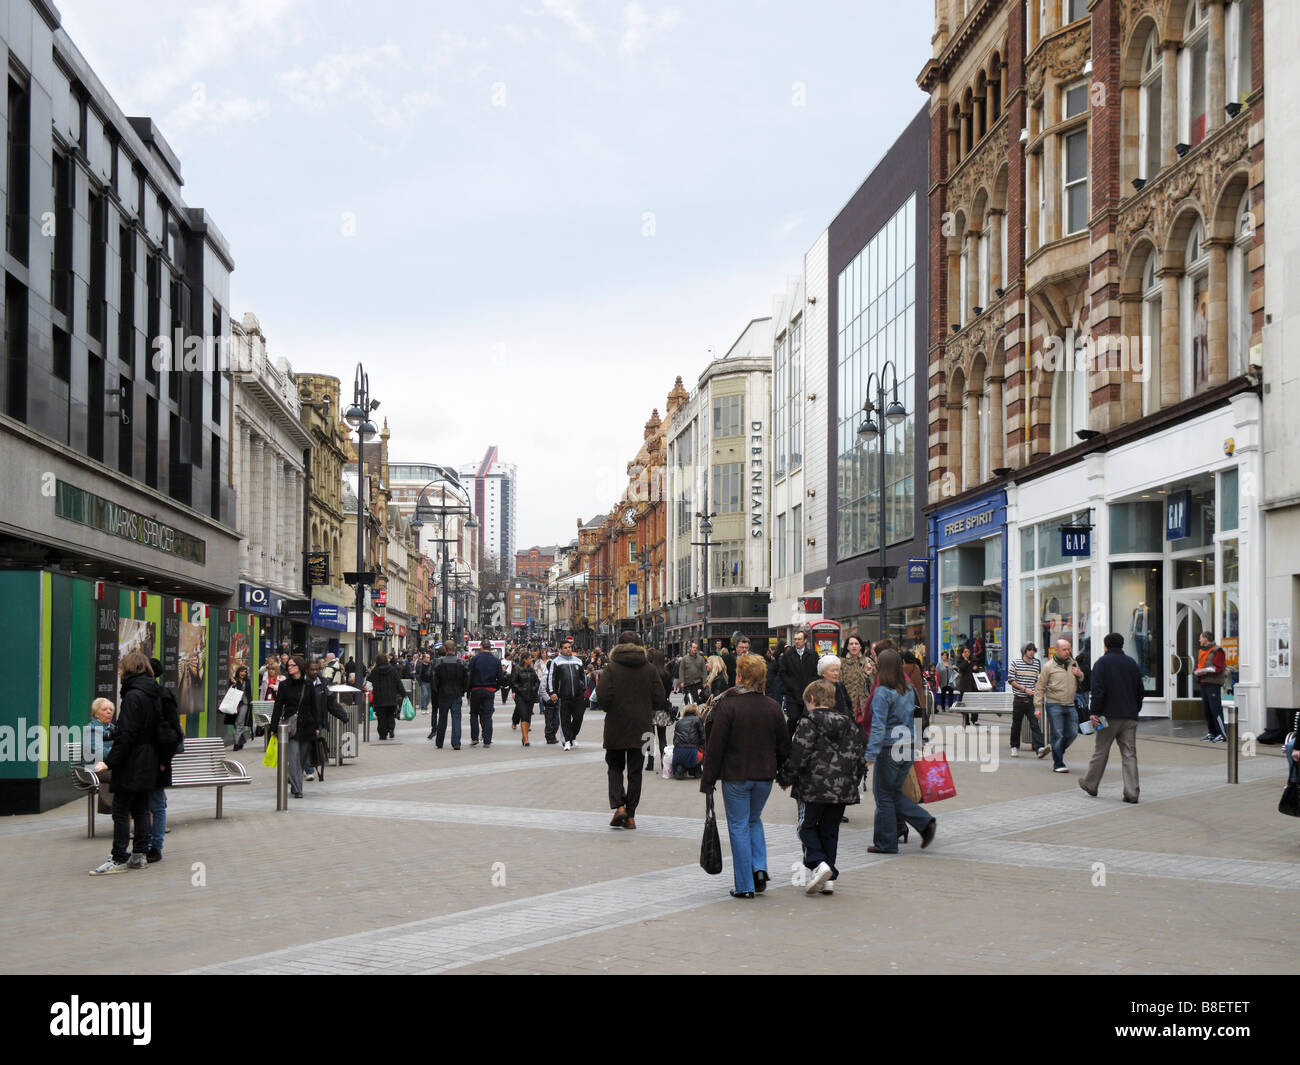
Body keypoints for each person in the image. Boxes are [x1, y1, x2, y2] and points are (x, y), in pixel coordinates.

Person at [700, 654, 790, 898]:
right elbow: (784, 746)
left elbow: (715, 747)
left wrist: (708, 781)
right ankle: (759, 869)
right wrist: (784, 774)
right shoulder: (772, 707)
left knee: (738, 825)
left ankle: (744, 885)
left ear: (740, 677)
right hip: (764, 776)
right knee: (754, 820)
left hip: (736, 775)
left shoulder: (728, 706)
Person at [780, 678, 865, 895]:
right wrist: (853, 782)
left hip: (813, 787)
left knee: (806, 827)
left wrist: (785, 777)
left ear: (811, 699)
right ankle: (829, 879)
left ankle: (818, 863)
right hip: (842, 787)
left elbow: (799, 753)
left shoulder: (809, 722)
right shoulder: (849, 723)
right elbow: (859, 757)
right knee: (830, 831)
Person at [89, 653, 161, 874]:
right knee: (140, 808)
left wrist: (109, 763)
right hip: (148, 758)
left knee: (120, 810)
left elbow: (127, 735)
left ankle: (118, 857)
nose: (118, 673)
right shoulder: (153, 693)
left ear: (129, 670)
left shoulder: (132, 696)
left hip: (132, 762)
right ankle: (139, 855)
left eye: (120, 669)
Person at [865, 650, 937, 855]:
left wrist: (870, 754)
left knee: (884, 796)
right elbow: (918, 716)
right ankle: (924, 822)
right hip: (909, 747)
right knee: (893, 793)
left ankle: (886, 842)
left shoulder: (882, 692)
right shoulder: (908, 689)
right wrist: (921, 741)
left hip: (890, 748)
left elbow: (878, 725)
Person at [597, 632, 666, 831]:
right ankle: (631, 816)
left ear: (618, 645)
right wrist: (645, 706)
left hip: (615, 726)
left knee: (615, 766)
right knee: (636, 772)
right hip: (643, 727)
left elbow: (601, 696)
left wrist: (612, 707)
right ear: (639, 645)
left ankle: (619, 806)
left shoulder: (611, 668)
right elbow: (659, 697)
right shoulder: (650, 668)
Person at [1079, 633, 1144, 803]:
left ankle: (1090, 783)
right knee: (1129, 754)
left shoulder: (1101, 663)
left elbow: (1098, 691)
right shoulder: (1132, 663)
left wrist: (1094, 712)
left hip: (1106, 716)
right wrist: (1135, 710)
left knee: (1101, 750)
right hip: (1129, 716)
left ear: (1106, 645)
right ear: (1122, 645)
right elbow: (1140, 691)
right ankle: (1132, 792)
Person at [143, 658, 184, 862]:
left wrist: (164, 760)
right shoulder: (142, 696)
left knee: (156, 803)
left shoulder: (163, 697)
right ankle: (146, 843)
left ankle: (155, 845)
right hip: (144, 759)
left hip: (157, 759)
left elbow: (174, 733)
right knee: (148, 803)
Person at [1035, 638, 1084, 773]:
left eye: (1069, 649)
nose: (1067, 652)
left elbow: (1082, 678)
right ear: (1056, 650)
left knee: (1073, 733)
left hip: (1070, 704)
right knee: (1058, 734)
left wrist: (1079, 674)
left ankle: (1057, 749)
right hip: (1054, 703)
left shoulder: (1073, 663)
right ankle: (1058, 763)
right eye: (1064, 649)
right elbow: (1040, 687)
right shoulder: (1048, 666)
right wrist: (1038, 707)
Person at [269, 655, 312, 797]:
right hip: (290, 727)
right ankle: (298, 790)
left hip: (306, 726)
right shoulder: (284, 685)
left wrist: (318, 725)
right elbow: (278, 707)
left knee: (300, 761)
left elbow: (315, 706)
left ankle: (294, 782)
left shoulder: (308, 684)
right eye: (289, 665)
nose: (290, 668)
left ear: (300, 666)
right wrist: (273, 727)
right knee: (293, 759)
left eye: (293, 665)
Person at [547, 636, 588, 750]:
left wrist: (583, 690)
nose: (568, 649)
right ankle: (567, 741)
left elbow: (582, 677)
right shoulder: (556, 662)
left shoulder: (578, 661)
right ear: (560, 649)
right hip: (564, 695)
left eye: (569, 647)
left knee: (578, 718)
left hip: (578, 695)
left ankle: (573, 736)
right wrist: (552, 692)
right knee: (565, 719)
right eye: (565, 648)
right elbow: (551, 678)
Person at [779, 629, 820, 737]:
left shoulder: (813, 655)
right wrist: (791, 687)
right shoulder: (787, 656)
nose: (797, 641)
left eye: (799, 639)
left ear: (805, 640)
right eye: (795, 639)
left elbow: (816, 673)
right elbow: (783, 674)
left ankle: (805, 742)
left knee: (808, 720)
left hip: (808, 694)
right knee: (793, 718)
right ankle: (787, 743)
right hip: (792, 694)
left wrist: (810, 687)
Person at [467, 639, 505, 748]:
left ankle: (474, 737)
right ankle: (487, 739)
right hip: (489, 690)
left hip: (476, 689)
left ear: (481, 647)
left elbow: (470, 674)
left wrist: (469, 689)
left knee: (474, 714)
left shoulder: (475, 659)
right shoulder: (496, 661)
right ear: (490, 648)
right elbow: (501, 678)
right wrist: (495, 688)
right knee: (487, 715)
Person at [431, 641, 469, 748]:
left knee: (442, 718)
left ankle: (439, 742)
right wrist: (463, 691)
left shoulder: (439, 662)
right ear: (454, 649)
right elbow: (466, 679)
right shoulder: (461, 662)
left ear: (445, 649)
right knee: (456, 719)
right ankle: (456, 743)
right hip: (456, 693)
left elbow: (434, 680)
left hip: (443, 694)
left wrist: (437, 691)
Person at [1194, 631, 1228, 742]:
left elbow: (1218, 667)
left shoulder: (1218, 651)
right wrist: (1197, 671)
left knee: (1215, 709)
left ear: (1206, 639)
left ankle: (1222, 734)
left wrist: (1202, 671)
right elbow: (1200, 665)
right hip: (1204, 682)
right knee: (1207, 710)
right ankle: (1212, 732)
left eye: (1201, 638)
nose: (1199, 640)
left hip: (1213, 683)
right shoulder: (1201, 651)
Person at [647, 647, 675, 772]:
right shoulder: (667, 674)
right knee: (662, 736)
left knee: (649, 736)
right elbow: (669, 691)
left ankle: (650, 763)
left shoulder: (650, 673)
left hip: (650, 708)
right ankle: (664, 763)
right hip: (662, 708)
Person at [367, 653, 404, 741]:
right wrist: (403, 694)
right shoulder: (392, 670)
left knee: (381, 717)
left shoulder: (375, 671)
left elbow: (369, 680)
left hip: (379, 698)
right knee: (390, 714)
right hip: (391, 696)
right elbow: (398, 682)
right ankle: (391, 728)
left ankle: (382, 734)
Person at [508, 652, 540, 747]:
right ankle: (526, 739)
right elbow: (513, 682)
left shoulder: (531, 670)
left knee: (528, 716)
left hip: (531, 696)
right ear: (525, 659)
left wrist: (534, 689)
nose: (531, 660)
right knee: (524, 715)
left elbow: (537, 681)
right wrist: (521, 689)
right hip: (520, 696)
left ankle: (524, 736)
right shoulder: (517, 669)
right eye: (530, 658)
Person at [671, 704, 704, 779]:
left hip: (678, 751)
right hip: (693, 751)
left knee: (683, 758)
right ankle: (696, 770)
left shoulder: (679, 722)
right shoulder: (698, 720)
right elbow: (703, 738)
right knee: (701, 751)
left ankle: (681, 768)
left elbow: (675, 739)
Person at [535, 645, 559, 744]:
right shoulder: (545, 677)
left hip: (556, 701)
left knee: (556, 721)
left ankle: (553, 735)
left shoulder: (556, 677)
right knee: (549, 721)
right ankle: (549, 737)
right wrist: (548, 699)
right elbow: (542, 690)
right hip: (548, 703)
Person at [230, 664, 254, 751]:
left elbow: (249, 693)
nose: (243, 673)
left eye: (245, 671)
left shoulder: (247, 681)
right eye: (242, 671)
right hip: (234, 704)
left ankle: (236, 744)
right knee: (235, 723)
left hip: (244, 704)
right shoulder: (234, 680)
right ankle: (241, 741)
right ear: (238, 672)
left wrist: (250, 704)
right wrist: (234, 684)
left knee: (239, 723)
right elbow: (230, 690)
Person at [679, 641, 707, 705]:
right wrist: (681, 681)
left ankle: (694, 712)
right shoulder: (684, 659)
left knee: (695, 700)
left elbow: (704, 671)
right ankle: (688, 711)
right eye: (693, 647)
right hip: (687, 683)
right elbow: (681, 670)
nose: (695, 649)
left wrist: (704, 681)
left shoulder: (701, 659)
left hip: (697, 683)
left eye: (696, 648)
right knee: (687, 699)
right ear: (690, 648)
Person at [956, 645, 977, 722]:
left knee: (974, 703)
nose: (967, 653)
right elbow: (961, 668)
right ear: (962, 653)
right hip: (964, 686)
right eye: (965, 652)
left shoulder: (973, 659)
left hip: (972, 685)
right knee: (964, 704)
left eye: (968, 651)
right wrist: (965, 660)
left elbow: (976, 668)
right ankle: (966, 720)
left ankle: (974, 718)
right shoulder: (960, 661)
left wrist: (975, 667)